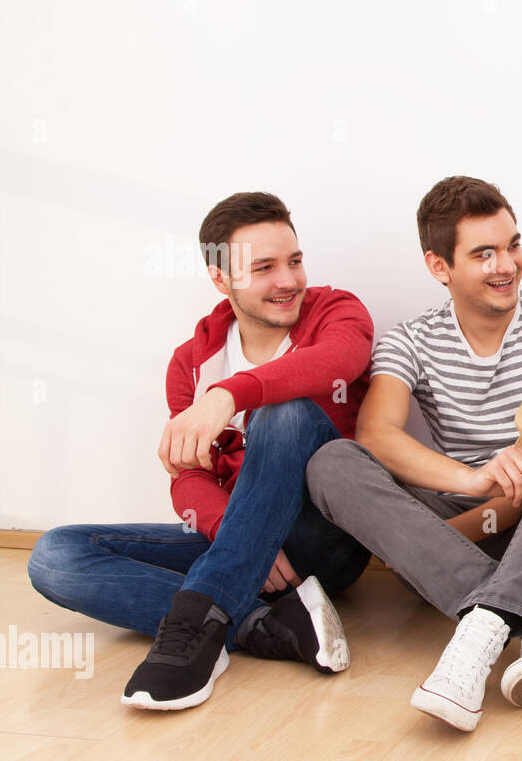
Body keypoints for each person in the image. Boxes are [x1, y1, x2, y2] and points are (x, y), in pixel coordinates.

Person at [28, 191, 373, 710]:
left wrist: (230, 394)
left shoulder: (334, 312)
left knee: (286, 410)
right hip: (241, 542)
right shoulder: (191, 361)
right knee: (55, 555)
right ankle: (262, 624)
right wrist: (242, 535)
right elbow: (188, 475)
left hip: (322, 541)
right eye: (264, 267)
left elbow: (339, 361)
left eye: (294, 261)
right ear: (221, 278)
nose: (288, 280)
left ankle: (197, 626)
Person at [306, 175, 522, 733]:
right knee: (331, 462)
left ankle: (482, 631)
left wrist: (488, 509)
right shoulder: (407, 339)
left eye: (513, 245)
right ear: (439, 266)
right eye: (484, 253)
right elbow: (376, 433)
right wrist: (477, 481)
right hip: (446, 540)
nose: (506, 265)